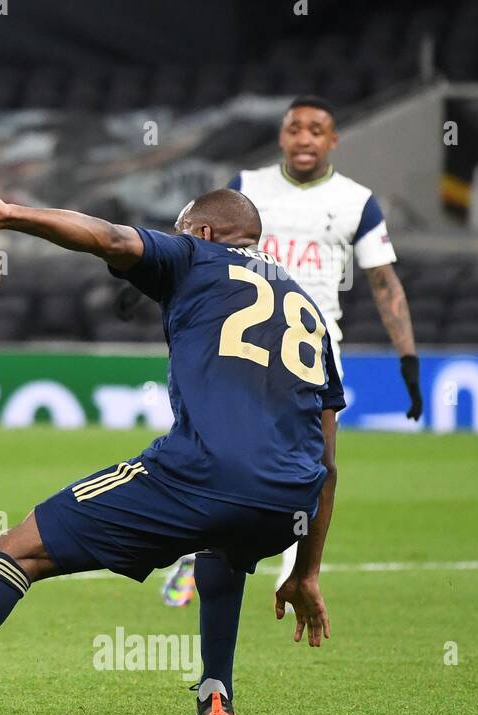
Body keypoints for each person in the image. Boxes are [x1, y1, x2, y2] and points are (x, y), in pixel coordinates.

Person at [0, 186, 341, 715]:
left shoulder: (194, 256)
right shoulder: (307, 309)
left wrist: (11, 215)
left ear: (205, 233)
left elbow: (109, 237)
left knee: (18, 549)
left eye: (181, 230)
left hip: (203, 475)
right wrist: (306, 571)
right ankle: (218, 696)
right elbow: (328, 460)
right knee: (226, 542)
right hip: (288, 503)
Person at [159, 95, 418, 607]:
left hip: (312, 348)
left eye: (316, 130)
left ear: (333, 140)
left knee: (320, 461)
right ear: (281, 136)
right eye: (294, 128)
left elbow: (385, 283)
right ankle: (194, 553)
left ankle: (298, 569)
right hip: (242, 341)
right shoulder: (246, 187)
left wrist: (407, 358)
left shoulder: (357, 201)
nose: (304, 138)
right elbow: (197, 245)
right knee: (214, 444)